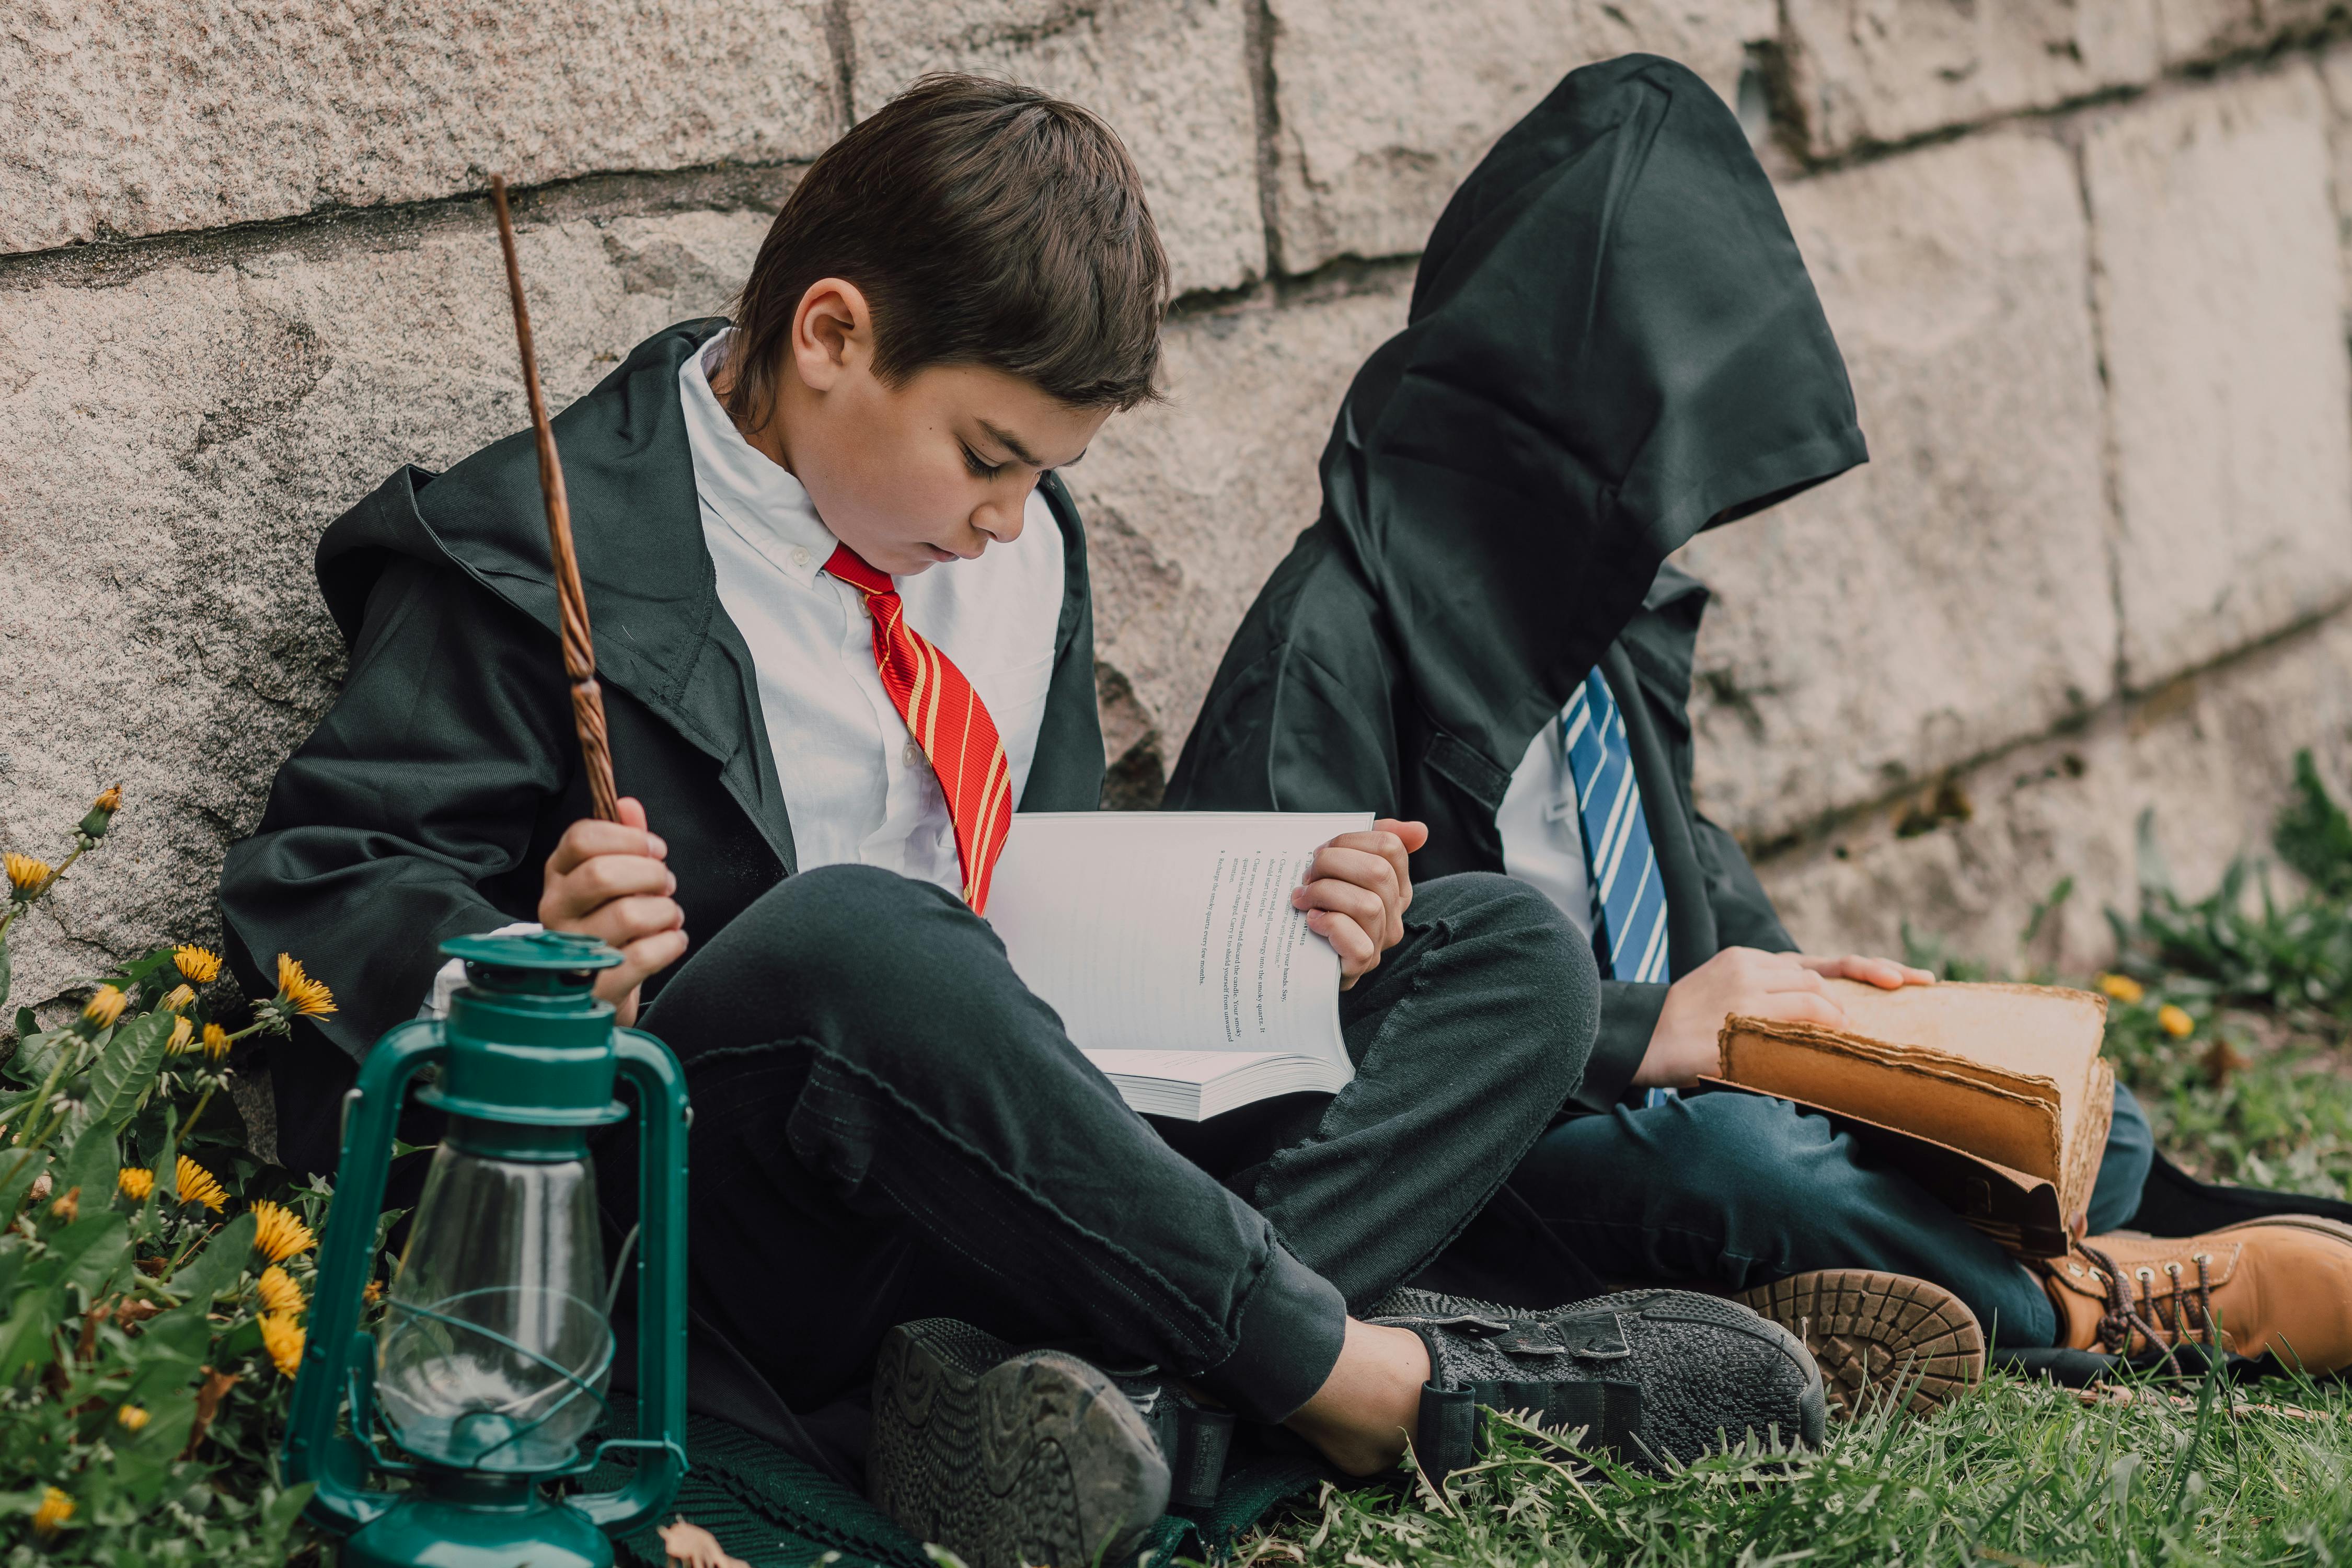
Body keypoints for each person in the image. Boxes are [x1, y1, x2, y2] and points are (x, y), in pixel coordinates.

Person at [217, 74, 1865, 1568]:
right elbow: (320, 882)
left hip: (1033, 1172)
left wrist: (1273, 915)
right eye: (986, 457)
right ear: (833, 336)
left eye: (1039, 473)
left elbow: (1045, 892)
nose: (1008, 518)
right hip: (747, 1207)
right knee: (857, 930)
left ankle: (1116, 1411)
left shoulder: (1020, 551)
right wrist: (527, 957)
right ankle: (1353, 1381)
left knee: (1504, 952)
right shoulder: (529, 553)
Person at [1167, 52, 2352, 1388]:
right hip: (1506, 1145)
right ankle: (2094, 1310)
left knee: (2075, 1117)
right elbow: (1289, 1050)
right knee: (1742, 1165)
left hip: (1687, 1068)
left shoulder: (1594, 610)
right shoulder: (1327, 645)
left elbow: (1687, 879)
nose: (1664, 519)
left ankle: (1974, 1257)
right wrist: (1643, 1032)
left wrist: (1830, 1019)